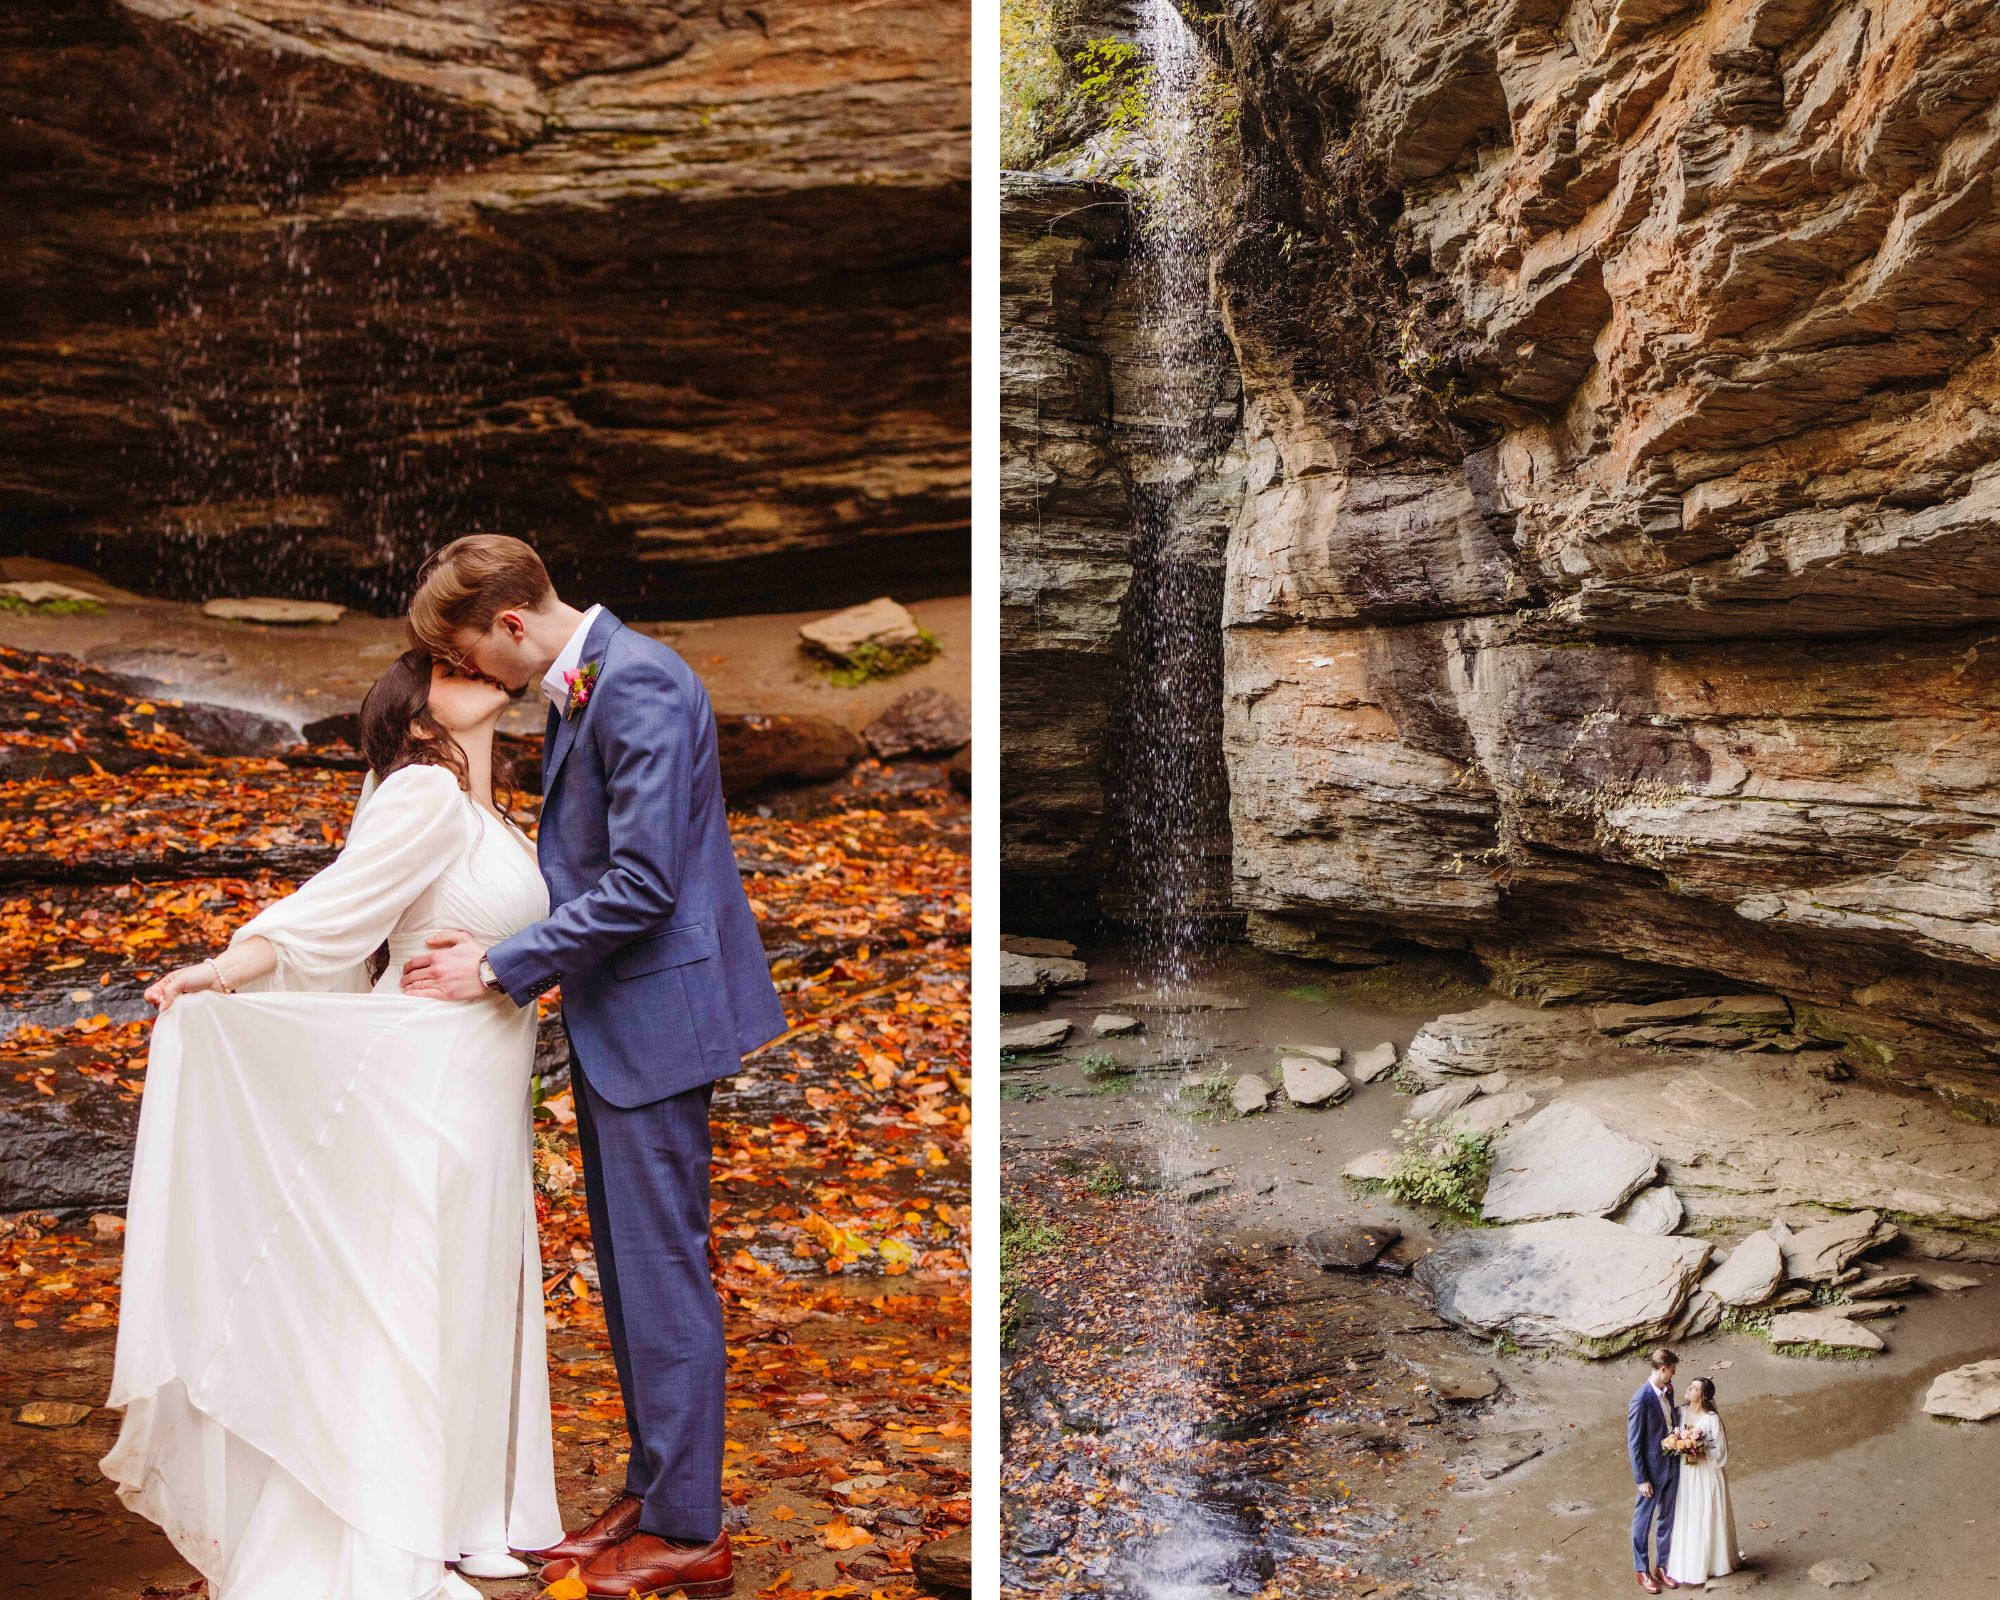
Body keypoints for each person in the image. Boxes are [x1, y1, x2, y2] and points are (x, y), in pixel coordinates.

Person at [101, 649, 562, 1599]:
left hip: (480, 1067)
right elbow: (335, 911)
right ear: (417, 712)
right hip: (423, 1071)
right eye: (446, 666)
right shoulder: (422, 793)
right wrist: (220, 973)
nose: (475, 668)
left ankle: (466, 1513)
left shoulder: (485, 812)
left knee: (472, 1279)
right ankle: (393, 1513)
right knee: (414, 1285)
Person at [401, 535, 787, 1599]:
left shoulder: (641, 683)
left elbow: (644, 882)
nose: (479, 675)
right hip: (627, 1015)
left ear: (513, 624)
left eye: (477, 653)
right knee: (631, 1279)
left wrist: (500, 963)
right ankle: (655, 1492)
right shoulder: (589, 681)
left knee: (663, 1279)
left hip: (659, 1016)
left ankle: (693, 1531)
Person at [1664, 1377, 1741, 1588]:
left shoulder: (1711, 1418)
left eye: (1695, 1388)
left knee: (1706, 1514)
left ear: (1703, 1396)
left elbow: (1721, 1450)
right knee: (1688, 1515)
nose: (1689, 1389)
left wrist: (1701, 1452)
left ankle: (1712, 1564)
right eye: (1691, 1385)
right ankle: (1687, 1565)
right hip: (1686, 1475)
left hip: (1707, 1474)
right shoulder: (1679, 1413)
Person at [1628, 1346, 1684, 1593]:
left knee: (1667, 1518)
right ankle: (1642, 1570)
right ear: (1663, 1369)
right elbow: (1634, 1442)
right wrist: (1641, 1479)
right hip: (1650, 1472)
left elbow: (1670, 1420)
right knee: (1643, 1520)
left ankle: (1663, 1565)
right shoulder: (1640, 1399)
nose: (1673, 1375)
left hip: (1672, 1464)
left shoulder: (1668, 1390)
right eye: (1672, 1370)